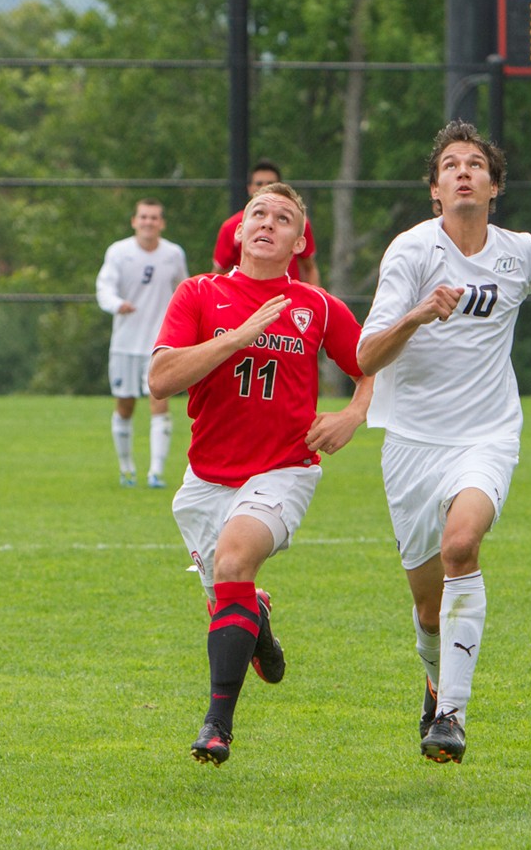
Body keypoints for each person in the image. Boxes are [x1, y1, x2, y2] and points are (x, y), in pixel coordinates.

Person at [357, 120, 531, 765]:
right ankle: (435, 682)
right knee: (428, 612)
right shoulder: (410, 253)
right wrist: (420, 312)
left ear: (493, 185)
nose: (463, 172)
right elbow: (368, 354)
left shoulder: (522, 253)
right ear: (434, 190)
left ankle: (452, 716)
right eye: (450, 165)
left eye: (475, 165)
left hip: (486, 435)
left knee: (463, 544)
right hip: (411, 443)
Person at [150, 181, 373, 766]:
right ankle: (260, 624)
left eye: (284, 218)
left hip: (284, 469)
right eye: (258, 214)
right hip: (205, 482)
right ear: (239, 231)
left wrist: (354, 412)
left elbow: (373, 365)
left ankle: (216, 725)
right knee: (229, 589)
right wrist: (242, 336)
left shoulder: (318, 306)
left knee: (233, 561)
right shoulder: (200, 293)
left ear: (300, 241)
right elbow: (161, 379)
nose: (268, 223)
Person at [95, 198, 190, 488]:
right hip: (125, 343)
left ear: (162, 223)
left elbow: (183, 291)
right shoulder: (119, 252)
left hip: (159, 345)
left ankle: (156, 472)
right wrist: (116, 304)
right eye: (144, 217)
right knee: (125, 406)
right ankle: (126, 469)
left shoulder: (173, 254)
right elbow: (104, 287)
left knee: (159, 402)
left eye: (154, 218)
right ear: (134, 221)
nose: (149, 222)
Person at [212, 159, 321, 286]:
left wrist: (312, 301)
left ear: (298, 243)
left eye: (270, 183)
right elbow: (219, 272)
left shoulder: (299, 223)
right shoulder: (230, 226)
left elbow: (309, 267)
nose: (267, 224)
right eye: (259, 183)